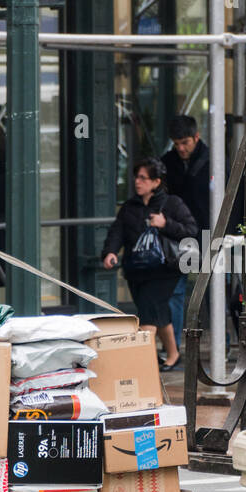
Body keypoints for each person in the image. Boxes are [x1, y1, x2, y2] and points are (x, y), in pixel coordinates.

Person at [101, 157, 198, 371]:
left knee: (147, 316)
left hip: (165, 270)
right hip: (137, 271)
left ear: (156, 182)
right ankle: (173, 355)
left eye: (143, 178)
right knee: (159, 313)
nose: (137, 182)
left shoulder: (172, 203)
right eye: (136, 177)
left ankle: (144, 366)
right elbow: (117, 231)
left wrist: (166, 224)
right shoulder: (130, 207)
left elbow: (191, 230)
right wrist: (110, 252)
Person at [160, 115, 211, 339]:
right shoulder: (167, 162)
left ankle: (224, 342)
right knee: (175, 290)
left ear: (196, 137)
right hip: (179, 233)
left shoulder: (214, 160)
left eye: (185, 143)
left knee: (214, 290)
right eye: (176, 143)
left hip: (209, 232)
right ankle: (176, 345)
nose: (180, 148)